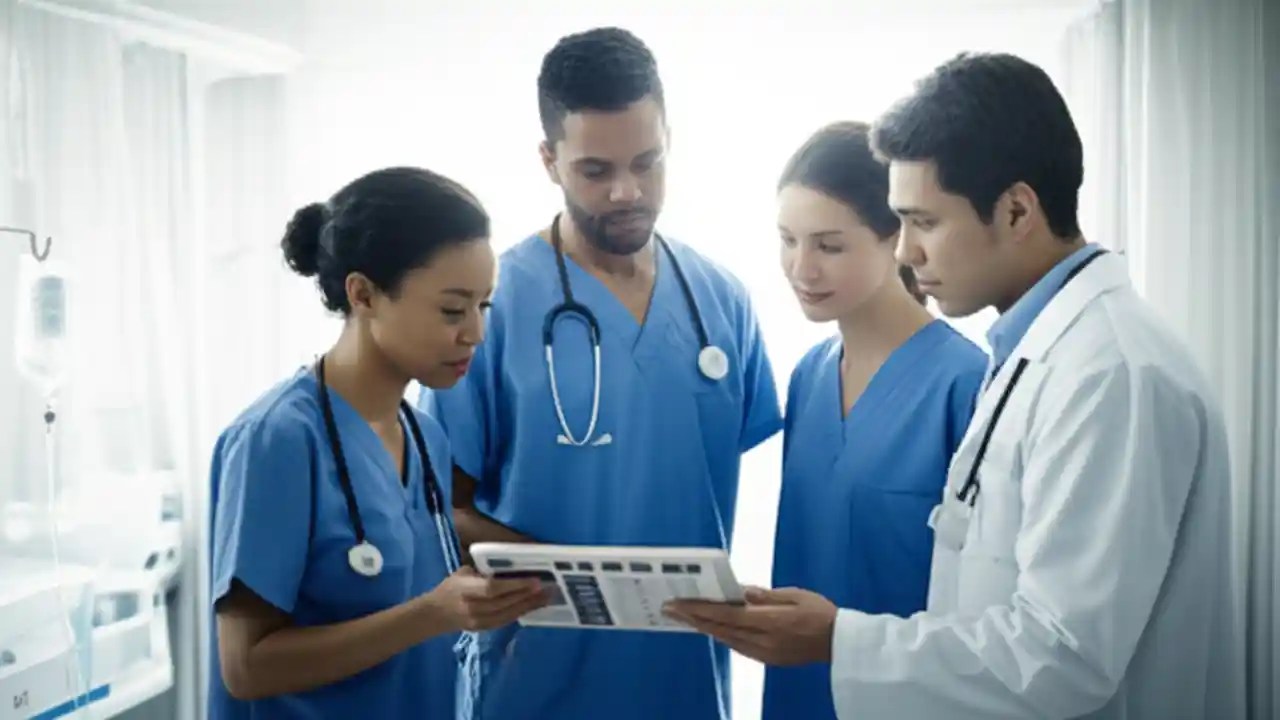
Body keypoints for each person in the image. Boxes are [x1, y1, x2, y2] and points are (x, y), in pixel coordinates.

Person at [666, 53, 1240, 719]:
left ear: (1018, 209)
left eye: (925, 223)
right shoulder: (1031, 358)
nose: (906, 253)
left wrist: (840, 639)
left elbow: (1063, 656)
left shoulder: (1113, 374)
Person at [420, 27, 783, 720]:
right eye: (596, 170)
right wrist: (561, 572)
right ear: (549, 160)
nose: (627, 191)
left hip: (685, 683)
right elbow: (440, 508)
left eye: (648, 163)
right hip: (535, 683)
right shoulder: (491, 303)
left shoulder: (722, 302)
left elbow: (683, 482)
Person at [208, 167, 548, 720]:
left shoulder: (425, 436)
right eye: (451, 310)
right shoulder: (278, 440)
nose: (476, 334)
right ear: (363, 294)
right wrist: (432, 615)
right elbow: (246, 667)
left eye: (483, 307)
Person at [763, 121, 986, 720]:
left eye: (829, 246)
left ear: (897, 238)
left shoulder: (967, 387)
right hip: (800, 695)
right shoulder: (809, 378)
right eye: (787, 239)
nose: (800, 269)